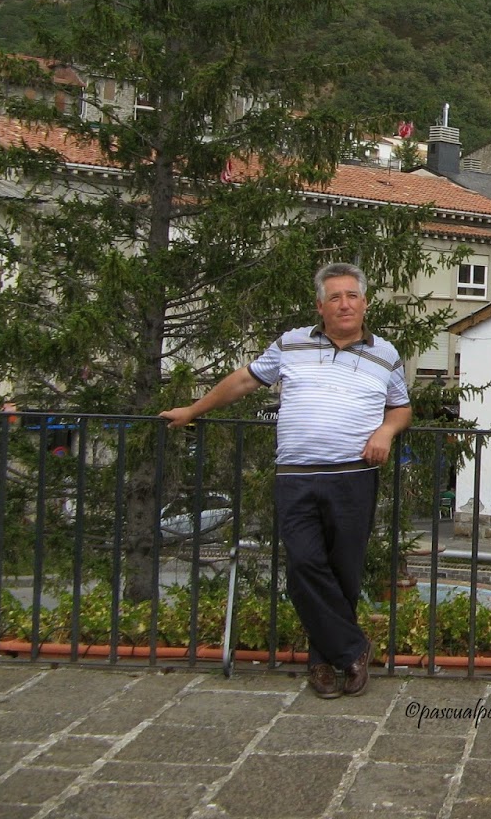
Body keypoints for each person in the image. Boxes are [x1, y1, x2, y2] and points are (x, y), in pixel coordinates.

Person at [161, 262, 411, 699]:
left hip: (354, 477)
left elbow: (400, 407)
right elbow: (244, 380)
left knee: (344, 574)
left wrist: (386, 432)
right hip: (296, 477)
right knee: (303, 565)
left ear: (365, 303)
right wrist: (192, 411)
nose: (344, 304)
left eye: (351, 295)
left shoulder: (386, 354)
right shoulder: (291, 343)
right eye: (334, 297)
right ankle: (353, 647)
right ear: (320, 306)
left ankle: (325, 664)